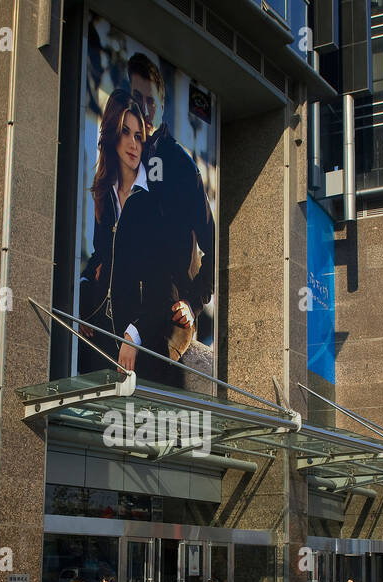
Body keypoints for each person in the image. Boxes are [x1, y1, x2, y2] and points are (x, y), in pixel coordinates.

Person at [78, 91, 190, 385]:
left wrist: (133, 334)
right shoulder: (104, 193)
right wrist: (83, 297)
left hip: (141, 339)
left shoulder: (156, 200)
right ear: (112, 136)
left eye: (139, 136)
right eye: (125, 132)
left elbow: (165, 283)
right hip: (102, 336)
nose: (132, 143)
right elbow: (100, 257)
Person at [127, 53, 215, 373]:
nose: (145, 109)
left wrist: (192, 303)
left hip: (169, 322)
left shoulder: (180, 167)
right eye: (137, 98)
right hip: (125, 312)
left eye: (152, 101)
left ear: (162, 107)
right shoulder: (123, 153)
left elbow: (214, 245)